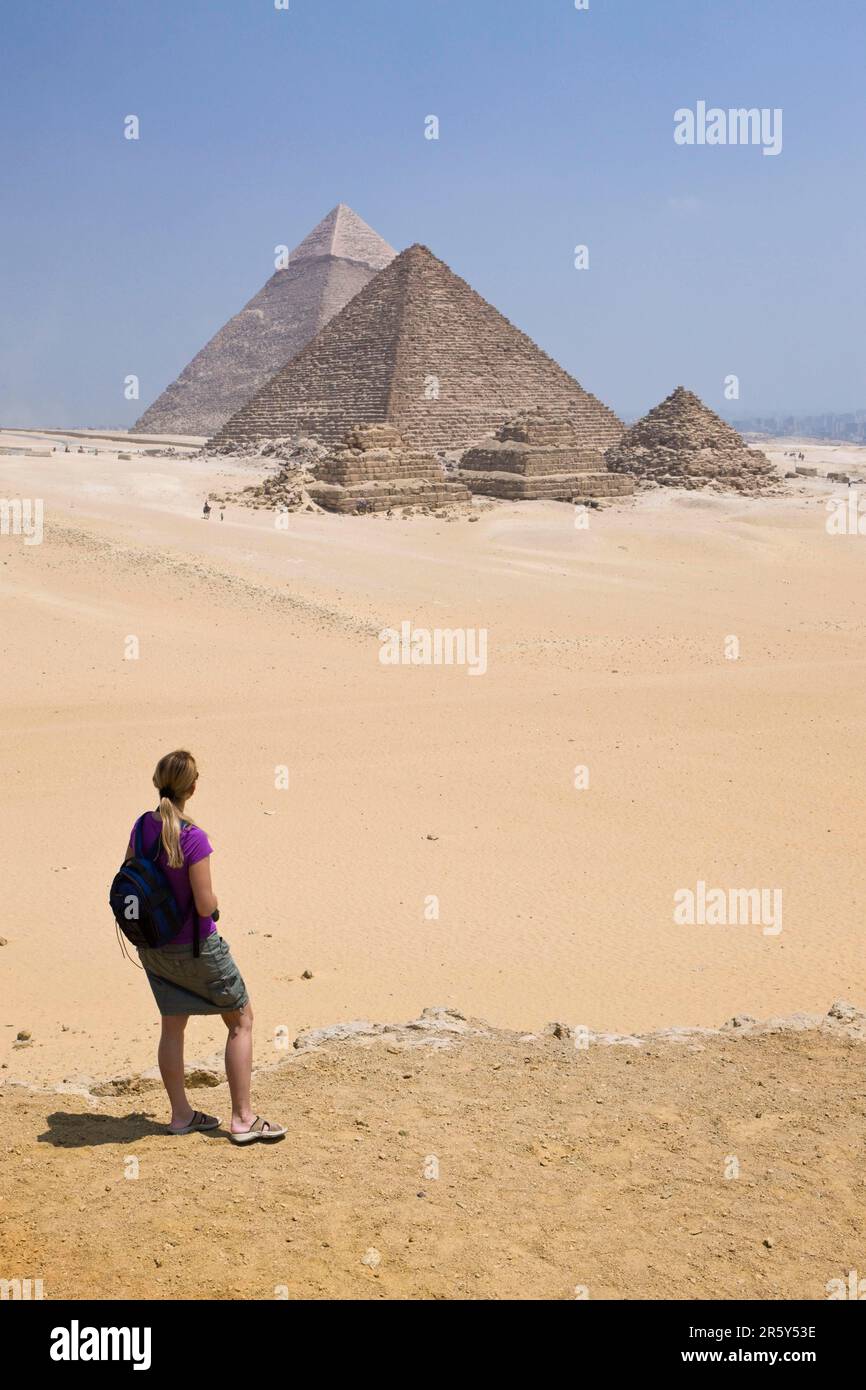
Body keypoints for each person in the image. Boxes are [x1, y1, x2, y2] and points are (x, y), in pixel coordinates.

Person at [125, 750, 285, 1144]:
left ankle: (181, 1115)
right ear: (192, 788)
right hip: (196, 947)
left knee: (172, 1026)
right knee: (240, 1020)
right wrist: (216, 905)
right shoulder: (193, 838)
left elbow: (128, 877)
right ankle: (243, 1119)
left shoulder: (143, 827)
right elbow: (203, 904)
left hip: (154, 948)